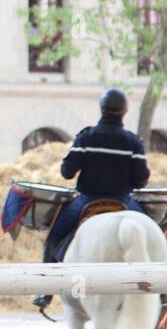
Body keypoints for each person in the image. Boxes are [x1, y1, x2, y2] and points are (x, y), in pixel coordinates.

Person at [33, 88, 149, 311]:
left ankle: (45, 291)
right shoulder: (133, 142)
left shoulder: (86, 137)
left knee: (54, 237)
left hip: (87, 201)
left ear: (102, 109)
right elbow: (142, 180)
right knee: (153, 233)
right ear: (124, 111)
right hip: (124, 202)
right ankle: (161, 291)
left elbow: (67, 171)